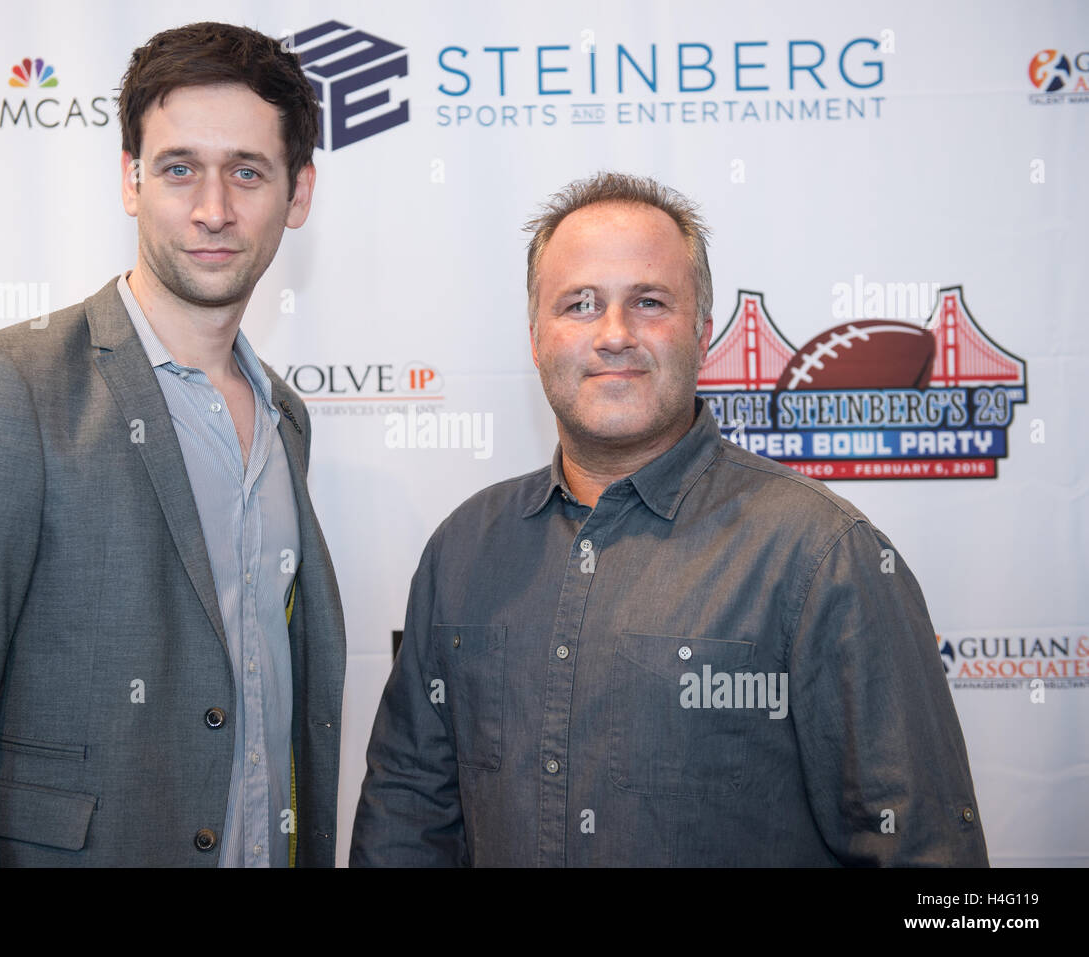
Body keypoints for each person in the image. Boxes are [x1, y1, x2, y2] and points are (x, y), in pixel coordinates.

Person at [350, 172, 988, 866]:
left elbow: (925, 854)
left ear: (703, 334)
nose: (614, 335)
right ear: (536, 337)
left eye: (650, 302)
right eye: (580, 304)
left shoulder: (824, 555)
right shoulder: (465, 549)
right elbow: (407, 817)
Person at [0, 22, 345, 867]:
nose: (213, 207)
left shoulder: (287, 418)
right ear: (131, 181)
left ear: (298, 192)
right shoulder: (3, 387)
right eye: (178, 169)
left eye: (248, 171)